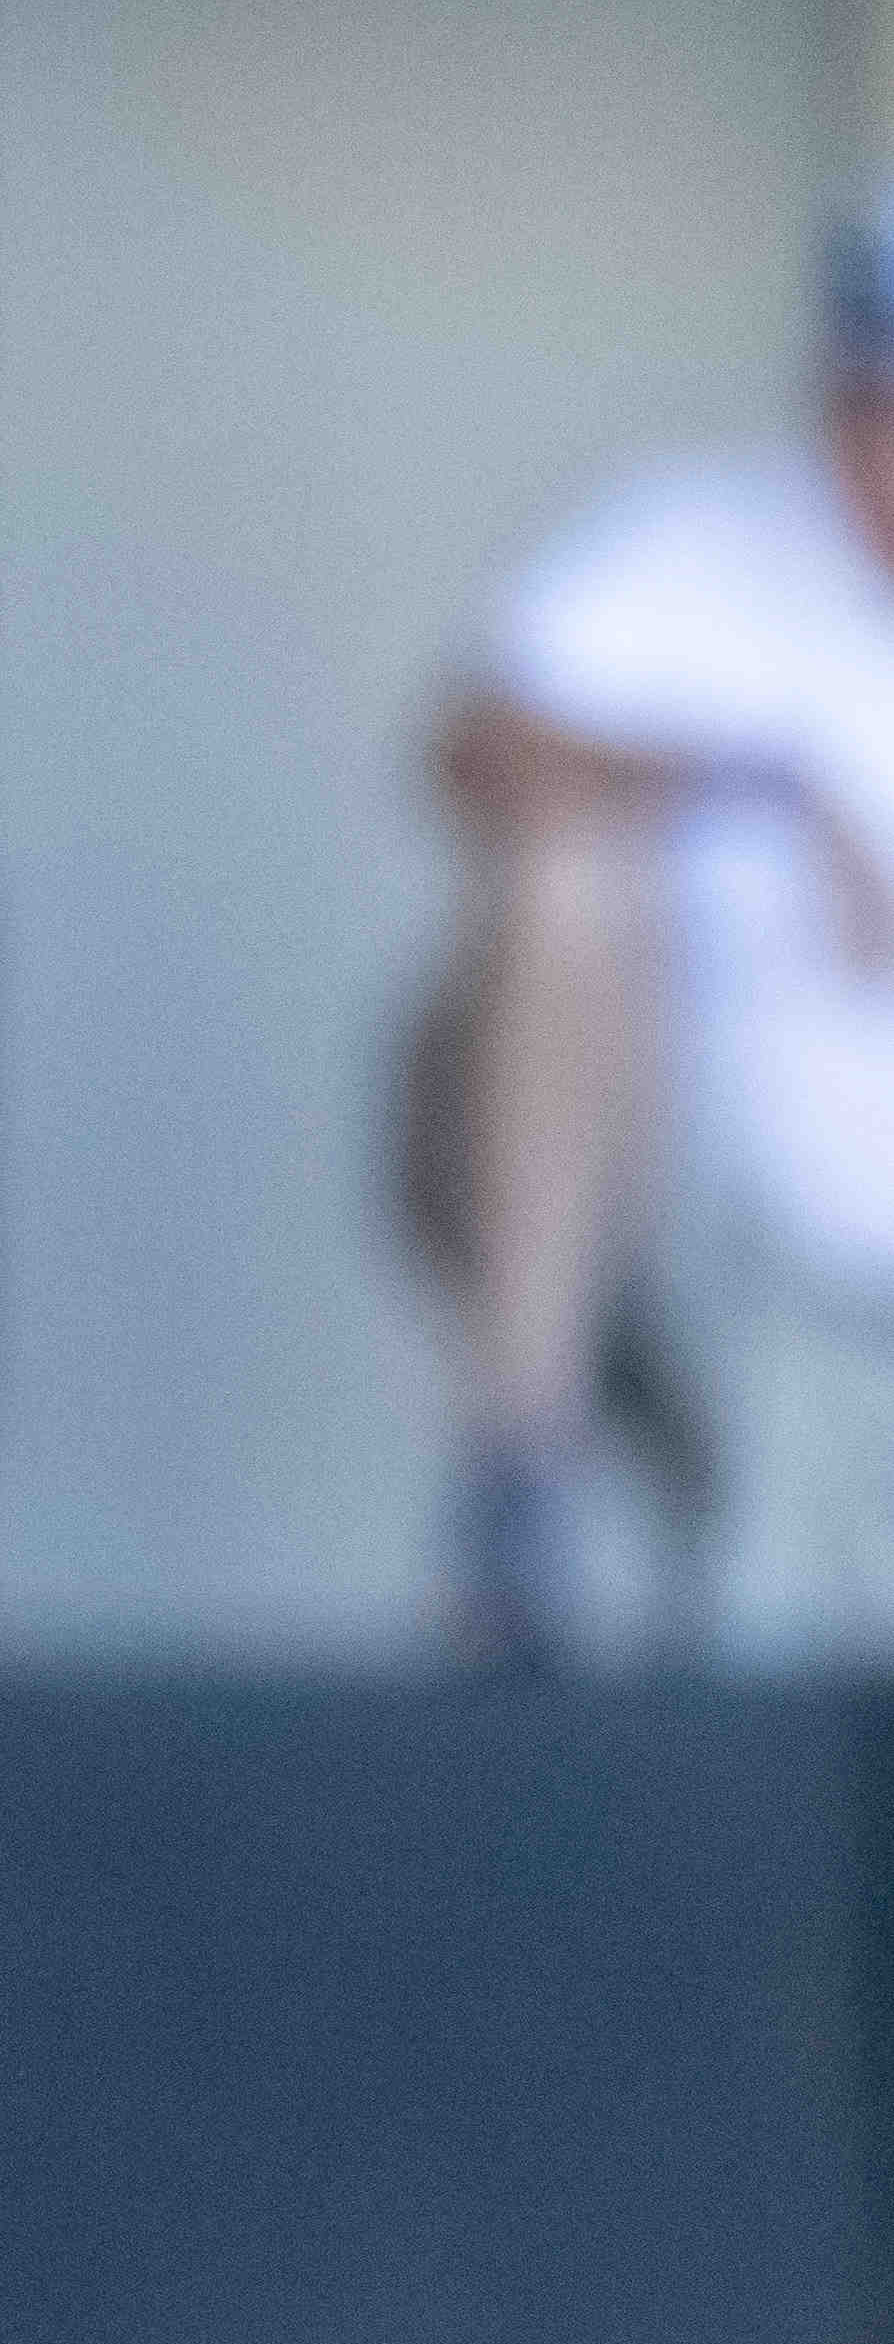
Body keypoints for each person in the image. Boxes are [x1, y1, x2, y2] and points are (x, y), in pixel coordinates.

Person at [424, 191, 894, 1666]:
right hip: (708, 1236)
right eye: (872, 406)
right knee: (562, 884)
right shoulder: (699, 544)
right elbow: (471, 752)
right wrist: (750, 780)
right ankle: (521, 1463)